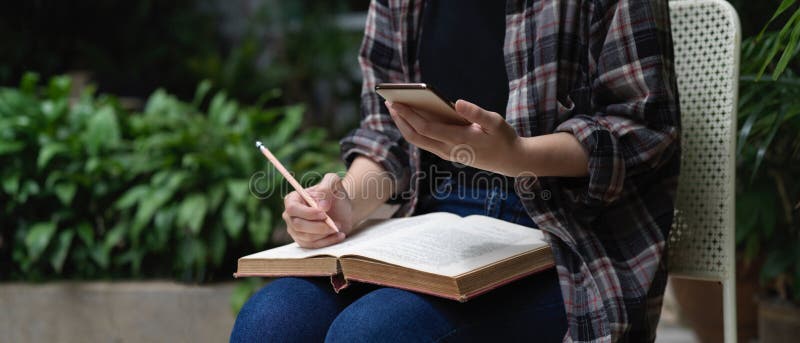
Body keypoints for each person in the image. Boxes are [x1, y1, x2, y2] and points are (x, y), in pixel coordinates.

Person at [231, 0, 680, 341]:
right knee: (268, 322)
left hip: (566, 242)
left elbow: (643, 128)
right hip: (433, 228)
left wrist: (517, 156)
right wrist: (344, 202)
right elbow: (386, 135)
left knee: (372, 333)